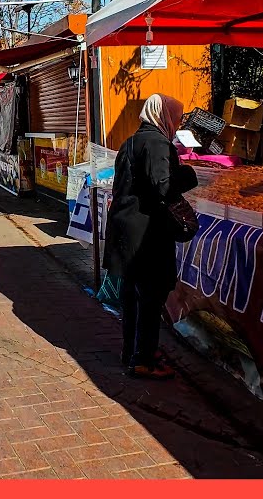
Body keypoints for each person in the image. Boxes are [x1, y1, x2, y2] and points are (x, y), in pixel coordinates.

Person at [103, 94, 199, 379]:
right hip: (146, 235)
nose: (178, 123)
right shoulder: (157, 143)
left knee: (132, 295)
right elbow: (164, 186)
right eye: (177, 117)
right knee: (151, 296)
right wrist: (189, 174)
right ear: (165, 116)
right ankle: (143, 359)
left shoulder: (131, 142)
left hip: (126, 232)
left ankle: (132, 350)